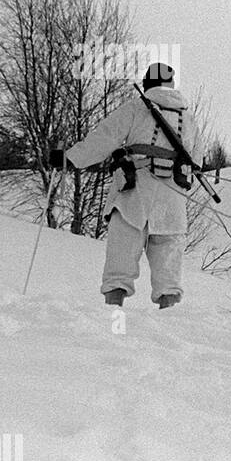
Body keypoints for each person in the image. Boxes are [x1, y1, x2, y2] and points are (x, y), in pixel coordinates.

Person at [51, 62, 199, 309]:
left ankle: (113, 314)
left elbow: (103, 139)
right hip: (171, 198)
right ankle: (169, 318)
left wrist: (70, 158)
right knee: (168, 264)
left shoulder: (135, 108)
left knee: (122, 254)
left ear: (147, 83)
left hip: (135, 193)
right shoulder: (189, 118)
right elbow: (198, 161)